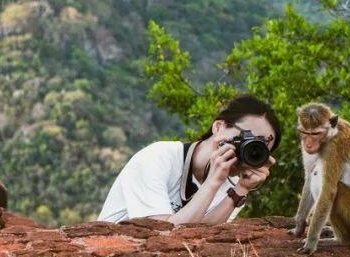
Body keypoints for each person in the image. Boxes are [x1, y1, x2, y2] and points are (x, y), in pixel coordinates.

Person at [98, 94, 280, 224]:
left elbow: (203, 232)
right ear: (219, 127)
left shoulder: (233, 185)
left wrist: (241, 189)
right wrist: (213, 182)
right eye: (247, 137)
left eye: (258, 148)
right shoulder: (158, 157)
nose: (249, 150)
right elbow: (162, 234)